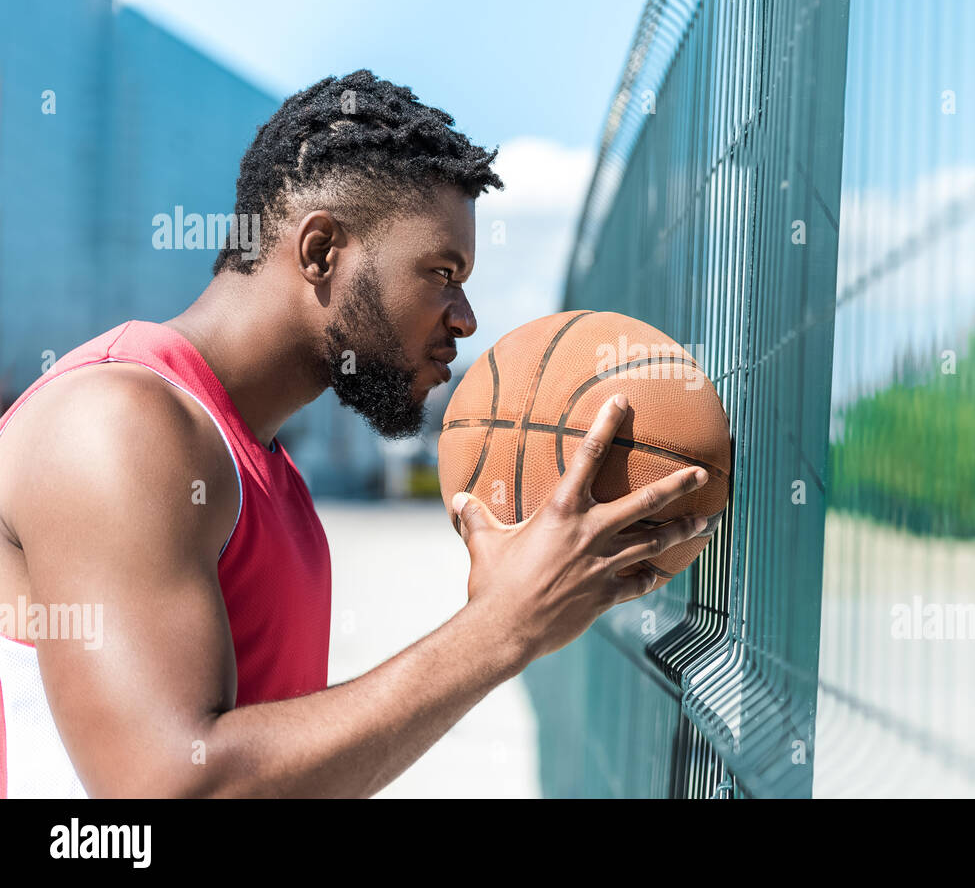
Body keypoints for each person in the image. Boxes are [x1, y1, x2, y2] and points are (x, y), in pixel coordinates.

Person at [0, 70, 709, 797]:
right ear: (320, 252)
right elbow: (169, 789)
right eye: (442, 271)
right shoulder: (116, 422)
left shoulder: (271, 477)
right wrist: (500, 627)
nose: (464, 318)